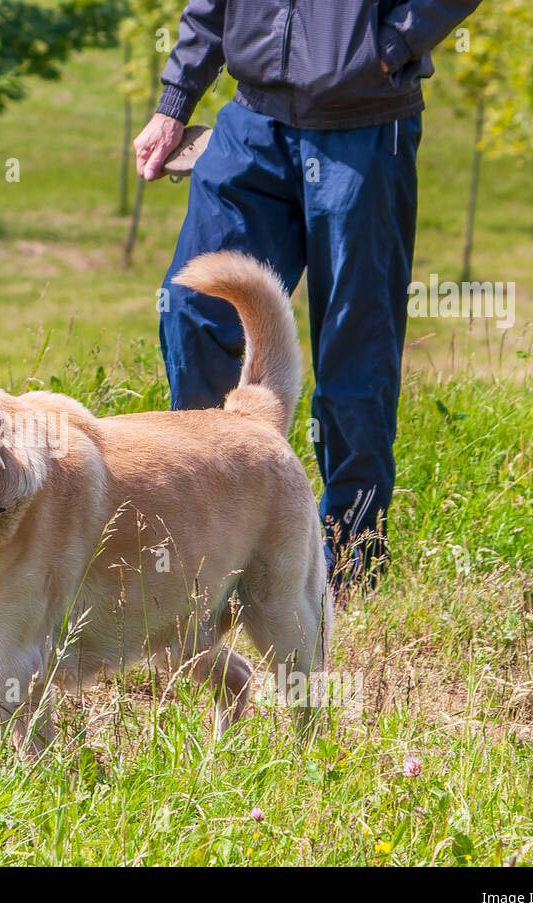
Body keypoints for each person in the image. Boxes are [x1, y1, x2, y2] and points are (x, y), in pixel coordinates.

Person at [134, 0, 481, 589]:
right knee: (192, 308)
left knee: (354, 345)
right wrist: (176, 100)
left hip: (366, 129)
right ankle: (206, 531)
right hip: (253, 123)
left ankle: (348, 561)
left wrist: (388, 46)